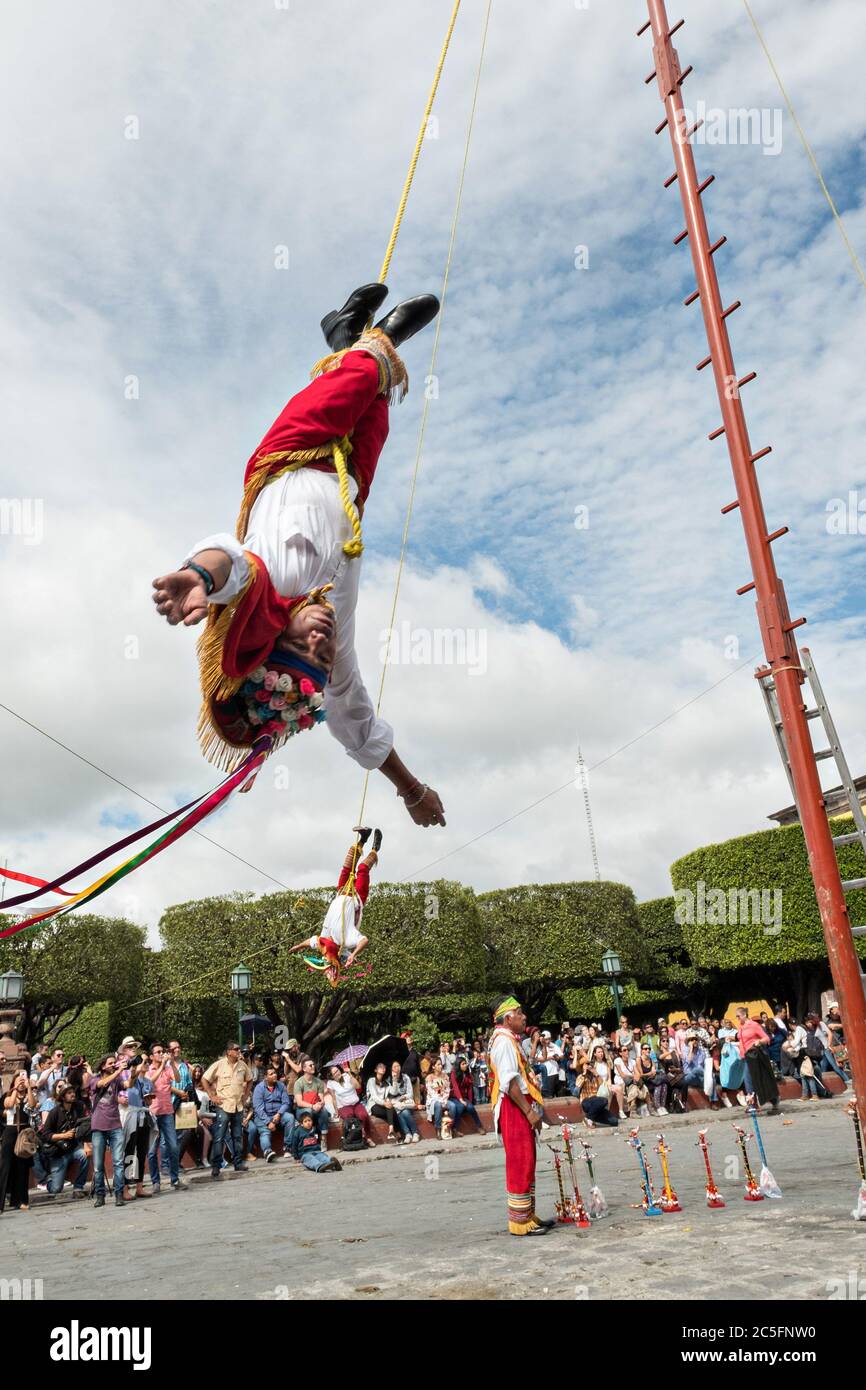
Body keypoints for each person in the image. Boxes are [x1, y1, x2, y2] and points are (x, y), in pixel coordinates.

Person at [151, 286, 445, 834]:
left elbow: (232, 565)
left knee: (361, 378)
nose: (323, 643)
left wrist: (198, 573)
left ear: (276, 636)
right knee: (375, 412)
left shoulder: (266, 594)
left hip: (289, 455)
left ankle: (377, 338)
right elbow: (355, 723)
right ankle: (344, 334)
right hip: (349, 485)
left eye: (304, 648)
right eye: (323, 658)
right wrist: (411, 790)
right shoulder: (336, 645)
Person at [488, 995, 552, 1236]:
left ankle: (527, 1215)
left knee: (527, 1159)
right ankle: (519, 1223)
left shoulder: (508, 1040)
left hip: (519, 1105)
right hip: (514, 1107)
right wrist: (528, 1111)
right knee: (519, 1160)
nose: (524, 1017)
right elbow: (509, 1081)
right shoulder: (504, 1042)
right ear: (508, 1018)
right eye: (520, 1013)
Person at [289, 827, 382, 985]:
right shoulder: (345, 941)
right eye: (327, 960)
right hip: (357, 897)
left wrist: (298, 947)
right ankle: (375, 848)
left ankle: (363, 838)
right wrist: (353, 955)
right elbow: (364, 940)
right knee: (362, 868)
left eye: (324, 957)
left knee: (347, 866)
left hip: (342, 892)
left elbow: (309, 942)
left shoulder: (322, 940)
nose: (324, 956)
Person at [203, 1041, 253, 1179]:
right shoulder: (219, 1064)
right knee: (219, 1137)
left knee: (237, 1136)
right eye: (236, 1049)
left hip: (238, 1105)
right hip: (223, 1106)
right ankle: (216, 1166)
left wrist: (246, 1095)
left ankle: (238, 1163)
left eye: (239, 1049)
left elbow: (250, 1080)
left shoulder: (242, 1065)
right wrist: (212, 1096)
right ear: (229, 1052)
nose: (239, 1051)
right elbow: (205, 1079)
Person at [145, 1042, 187, 1193]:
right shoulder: (148, 1070)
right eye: (158, 1052)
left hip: (167, 1112)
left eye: (162, 1051)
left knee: (174, 1147)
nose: (161, 1053)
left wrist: (171, 1063)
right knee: (151, 1151)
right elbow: (150, 1082)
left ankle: (174, 1179)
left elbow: (177, 1078)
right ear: (151, 1056)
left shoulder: (168, 1067)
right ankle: (155, 1182)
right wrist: (163, 1065)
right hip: (153, 1114)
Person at [88, 1053, 128, 1208]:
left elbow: (128, 1085)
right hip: (98, 1126)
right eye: (110, 1063)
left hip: (115, 1125)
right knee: (98, 1165)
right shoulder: (94, 1079)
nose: (113, 1065)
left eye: (114, 1063)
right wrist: (118, 1071)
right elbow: (102, 1084)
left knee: (118, 1162)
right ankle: (100, 1195)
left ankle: (119, 1194)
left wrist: (136, 1071)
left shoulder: (117, 1078)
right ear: (103, 1066)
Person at [38, 1082, 91, 1197]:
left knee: (84, 1155)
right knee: (55, 1189)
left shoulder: (78, 1107)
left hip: (73, 1147)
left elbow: (86, 1125)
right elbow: (45, 1135)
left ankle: (78, 1187)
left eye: (73, 1092)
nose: (73, 1094)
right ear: (62, 1097)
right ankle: (49, 1181)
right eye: (69, 1093)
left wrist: (86, 1144)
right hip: (58, 1152)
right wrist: (64, 1135)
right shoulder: (55, 1112)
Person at [0, 1071, 38, 1213]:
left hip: (24, 1132)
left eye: (23, 1080)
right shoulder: (8, 1095)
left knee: (22, 1167)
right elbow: (9, 1105)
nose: (21, 1082)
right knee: (5, 1167)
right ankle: (1, 1203)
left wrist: (28, 1088)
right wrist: (15, 1089)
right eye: (19, 1080)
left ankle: (22, 1200)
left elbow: (33, 1105)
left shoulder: (28, 1095)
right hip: (10, 1132)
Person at [736, 1007, 781, 1114]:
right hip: (746, 1057)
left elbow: (766, 1038)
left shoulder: (754, 1025)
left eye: (738, 1016)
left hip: (755, 1056)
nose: (737, 1018)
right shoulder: (740, 1027)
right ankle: (752, 1104)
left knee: (761, 1078)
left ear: (744, 1015)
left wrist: (759, 1042)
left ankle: (773, 1099)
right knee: (748, 1080)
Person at [250, 1065, 296, 1161]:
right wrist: (268, 1122)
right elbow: (258, 1109)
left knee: (290, 1118)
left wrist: (279, 1113)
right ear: (266, 1077)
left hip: (277, 1114)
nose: (274, 1075)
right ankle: (267, 1151)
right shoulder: (259, 1088)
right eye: (271, 1074)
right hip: (262, 1116)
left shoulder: (281, 1085)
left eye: (275, 1073)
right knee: (265, 1132)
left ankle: (287, 1148)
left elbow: (286, 1102)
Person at [325, 1066, 376, 1146]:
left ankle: (368, 1137)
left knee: (363, 1115)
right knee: (349, 1117)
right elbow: (334, 1098)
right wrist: (336, 1111)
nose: (337, 1073)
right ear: (331, 1076)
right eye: (334, 1072)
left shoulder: (347, 1076)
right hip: (344, 1106)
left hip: (356, 1103)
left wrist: (349, 1073)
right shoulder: (331, 1083)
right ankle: (356, 1139)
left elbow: (358, 1086)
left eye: (337, 1070)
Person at [576, 1046, 620, 1129]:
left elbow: (601, 1085)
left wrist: (595, 1073)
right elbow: (576, 1088)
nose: (588, 1066)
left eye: (589, 1065)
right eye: (585, 1065)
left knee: (614, 1121)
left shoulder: (596, 1076)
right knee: (603, 1100)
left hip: (598, 1104)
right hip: (587, 1101)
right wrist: (584, 1073)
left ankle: (590, 1118)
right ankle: (588, 1118)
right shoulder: (581, 1076)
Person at [449, 1057, 485, 1135]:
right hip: (454, 1097)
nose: (465, 1065)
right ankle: (454, 1129)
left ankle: (479, 1126)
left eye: (465, 1063)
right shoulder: (453, 1073)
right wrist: (461, 1100)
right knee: (460, 1107)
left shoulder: (467, 1074)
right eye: (463, 1064)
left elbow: (469, 1089)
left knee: (470, 1107)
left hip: (463, 1097)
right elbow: (455, 1088)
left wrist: (470, 1101)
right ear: (458, 1065)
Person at [365, 1061, 401, 1141]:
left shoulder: (386, 1083)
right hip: (373, 1105)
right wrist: (384, 1103)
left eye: (384, 1067)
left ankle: (391, 1131)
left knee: (391, 1109)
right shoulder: (371, 1081)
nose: (383, 1068)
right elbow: (374, 1097)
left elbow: (394, 1092)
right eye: (380, 1067)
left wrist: (394, 1080)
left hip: (384, 1106)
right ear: (375, 1070)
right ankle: (398, 1134)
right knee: (392, 1110)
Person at [385, 1061, 419, 1143]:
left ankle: (414, 1133)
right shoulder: (389, 1080)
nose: (397, 1068)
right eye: (395, 1066)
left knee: (405, 1112)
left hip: (406, 1101)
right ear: (392, 1069)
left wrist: (404, 1097)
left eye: (398, 1065)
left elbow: (410, 1093)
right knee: (401, 1112)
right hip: (397, 1103)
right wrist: (395, 1081)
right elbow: (393, 1093)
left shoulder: (405, 1077)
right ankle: (408, 1134)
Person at [425, 1057, 454, 1136]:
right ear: (433, 1066)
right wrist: (440, 1100)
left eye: (441, 1064)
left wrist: (444, 1099)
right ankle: (438, 1128)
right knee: (438, 1105)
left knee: (452, 1106)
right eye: (438, 1064)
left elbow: (447, 1089)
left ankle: (451, 1127)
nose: (440, 1066)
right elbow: (431, 1092)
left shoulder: (445, 1076)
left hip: (444, 1099)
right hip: (433, 1099)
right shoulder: (429, 1077)